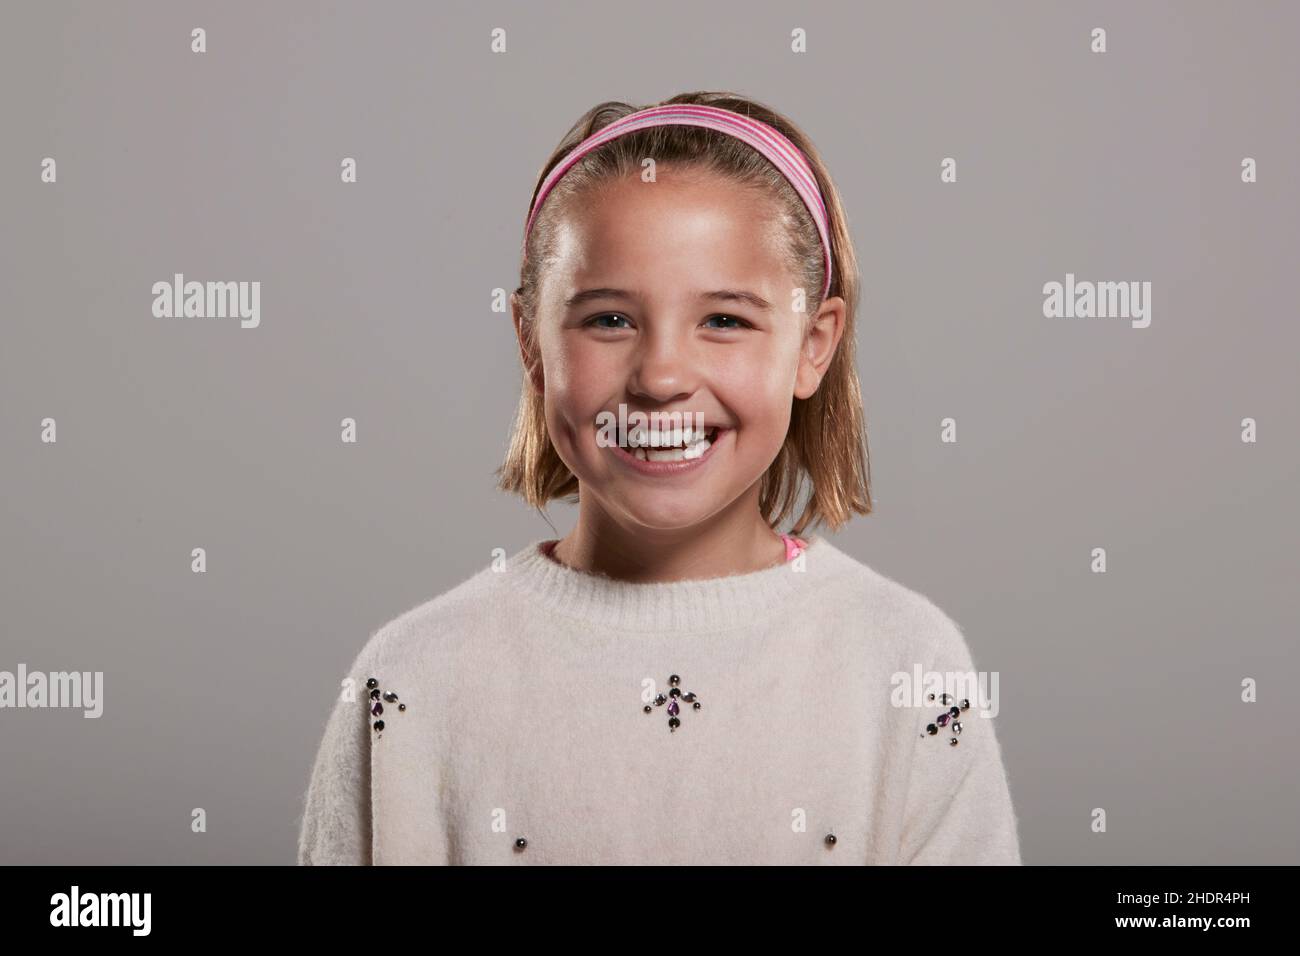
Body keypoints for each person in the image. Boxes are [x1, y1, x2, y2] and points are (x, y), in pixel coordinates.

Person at [297, 92, 1021, 865]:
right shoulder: (410, 680)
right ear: (531, 344)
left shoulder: (905, 663)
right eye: (609, 319)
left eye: (725, 320)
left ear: (814, 346)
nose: (662, 376)